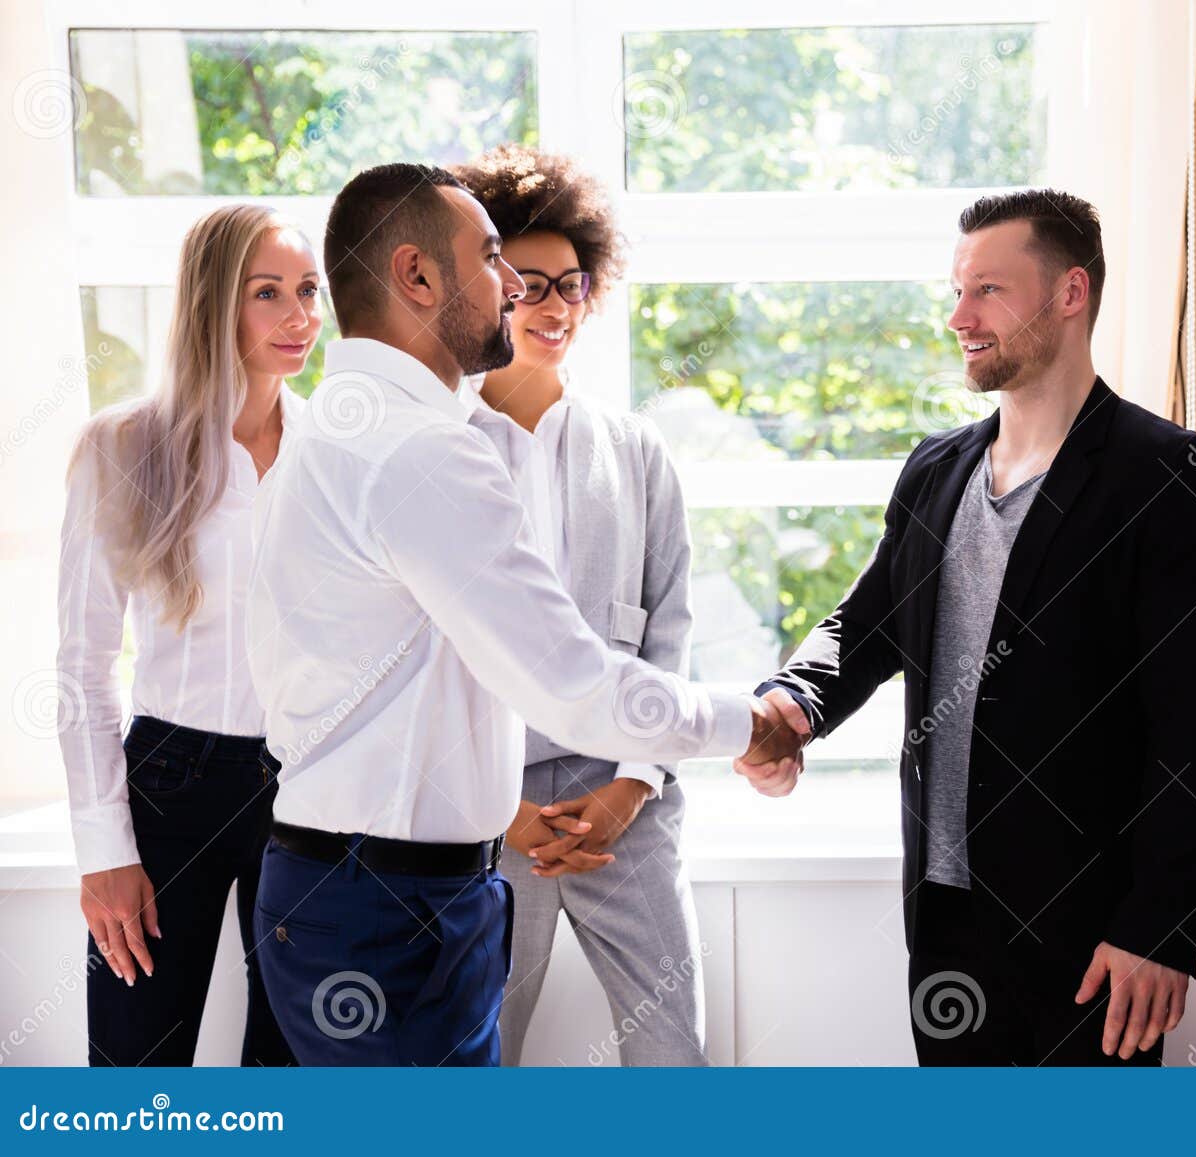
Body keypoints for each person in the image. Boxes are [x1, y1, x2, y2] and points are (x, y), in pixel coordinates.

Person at [245, 162, 802, 1066]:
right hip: (398, 904)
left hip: (330, 882)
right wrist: (751, 721)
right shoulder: (428, 452)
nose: (514, 287)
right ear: (419, 277)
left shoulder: (321, 435)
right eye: (495, 258)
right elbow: (572, 683)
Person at [750, 189, 1196, 1066]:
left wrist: (1159, 928)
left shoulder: (1173, 472)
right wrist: (793, 703)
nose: (958, 317)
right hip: (944, 914)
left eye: (988, 290)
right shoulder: (935, 468)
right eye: (955, 290)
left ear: (1070, 293)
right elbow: (865, 625)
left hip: (1094, 938)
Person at [449, 145, 712, 1066]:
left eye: (571, 283)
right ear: (480, 288)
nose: (554, 306)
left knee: (674, 1055)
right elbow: (422, 648)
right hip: (485, 804)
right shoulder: (438, 450)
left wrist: (633, 782)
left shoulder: (635, 449)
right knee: (476, 1059)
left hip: (622, 799)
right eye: (526, 284)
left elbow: (668, 630)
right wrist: (498, 806)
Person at [57, 204, 317, 1066]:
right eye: (268, 293)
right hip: (168, 785)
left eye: (310, 291)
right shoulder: (121, 447)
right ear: (214, 302)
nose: (300, 318)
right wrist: (104, 852)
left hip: (312, 784)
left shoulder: (338, 455)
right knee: (135, 1068)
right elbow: (83, 664)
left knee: (296, 1071)